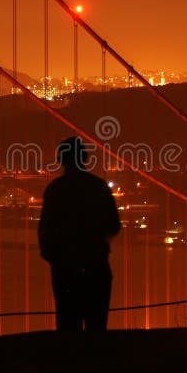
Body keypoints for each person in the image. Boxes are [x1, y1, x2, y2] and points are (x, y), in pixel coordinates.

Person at [38, 136, 121, 331]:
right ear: (85, 158)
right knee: (96, 327)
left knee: (68, 328)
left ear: (61, 160)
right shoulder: (99, 187)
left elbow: (45, 229)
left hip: (65, 270)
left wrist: (55, 257)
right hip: (96, 267)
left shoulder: (55, 189)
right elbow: (114, 225)